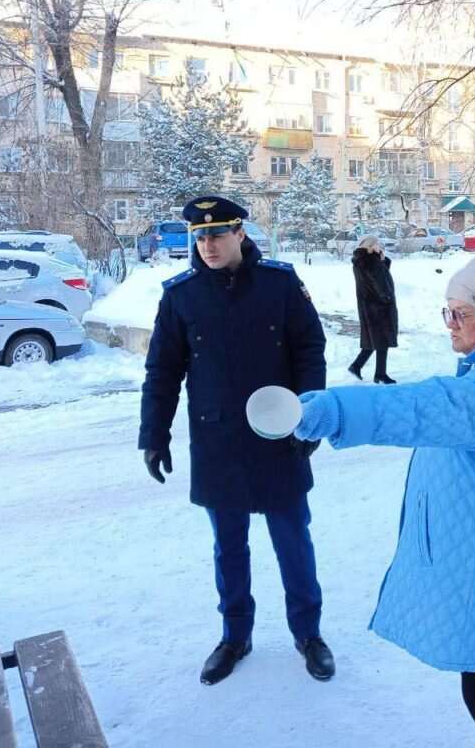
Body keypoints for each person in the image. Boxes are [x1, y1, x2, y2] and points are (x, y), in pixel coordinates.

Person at [294, 255, 475, 747]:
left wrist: (338, 410)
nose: (450, 325)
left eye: (462, 314)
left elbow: (428, 407)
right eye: (446, 311)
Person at [138, 195, 335, 684]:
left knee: (293, 542)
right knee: (229, 549)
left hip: (279, 437)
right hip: (217, 442)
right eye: (200, 236)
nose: (208, 244)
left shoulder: (280, 284)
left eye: (218, 234)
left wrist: (307, 413)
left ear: (240, 233)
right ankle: (235, 636)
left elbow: (311, 348)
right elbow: (162, 371)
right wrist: (154, 434)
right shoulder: (181, 297)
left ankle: (308, 634)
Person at [347, 235, 399, 384]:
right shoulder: (371, 262)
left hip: (367, 306)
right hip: (379, 307)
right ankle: (380, 374)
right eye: (376, 244)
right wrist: (387, 298)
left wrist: (382, 260)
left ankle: (357, 366)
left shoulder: (361, 261)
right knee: (381, 340)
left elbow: (375, 277)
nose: (379, 246)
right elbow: (379, 282)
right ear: (370, 245)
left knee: (374, 340)